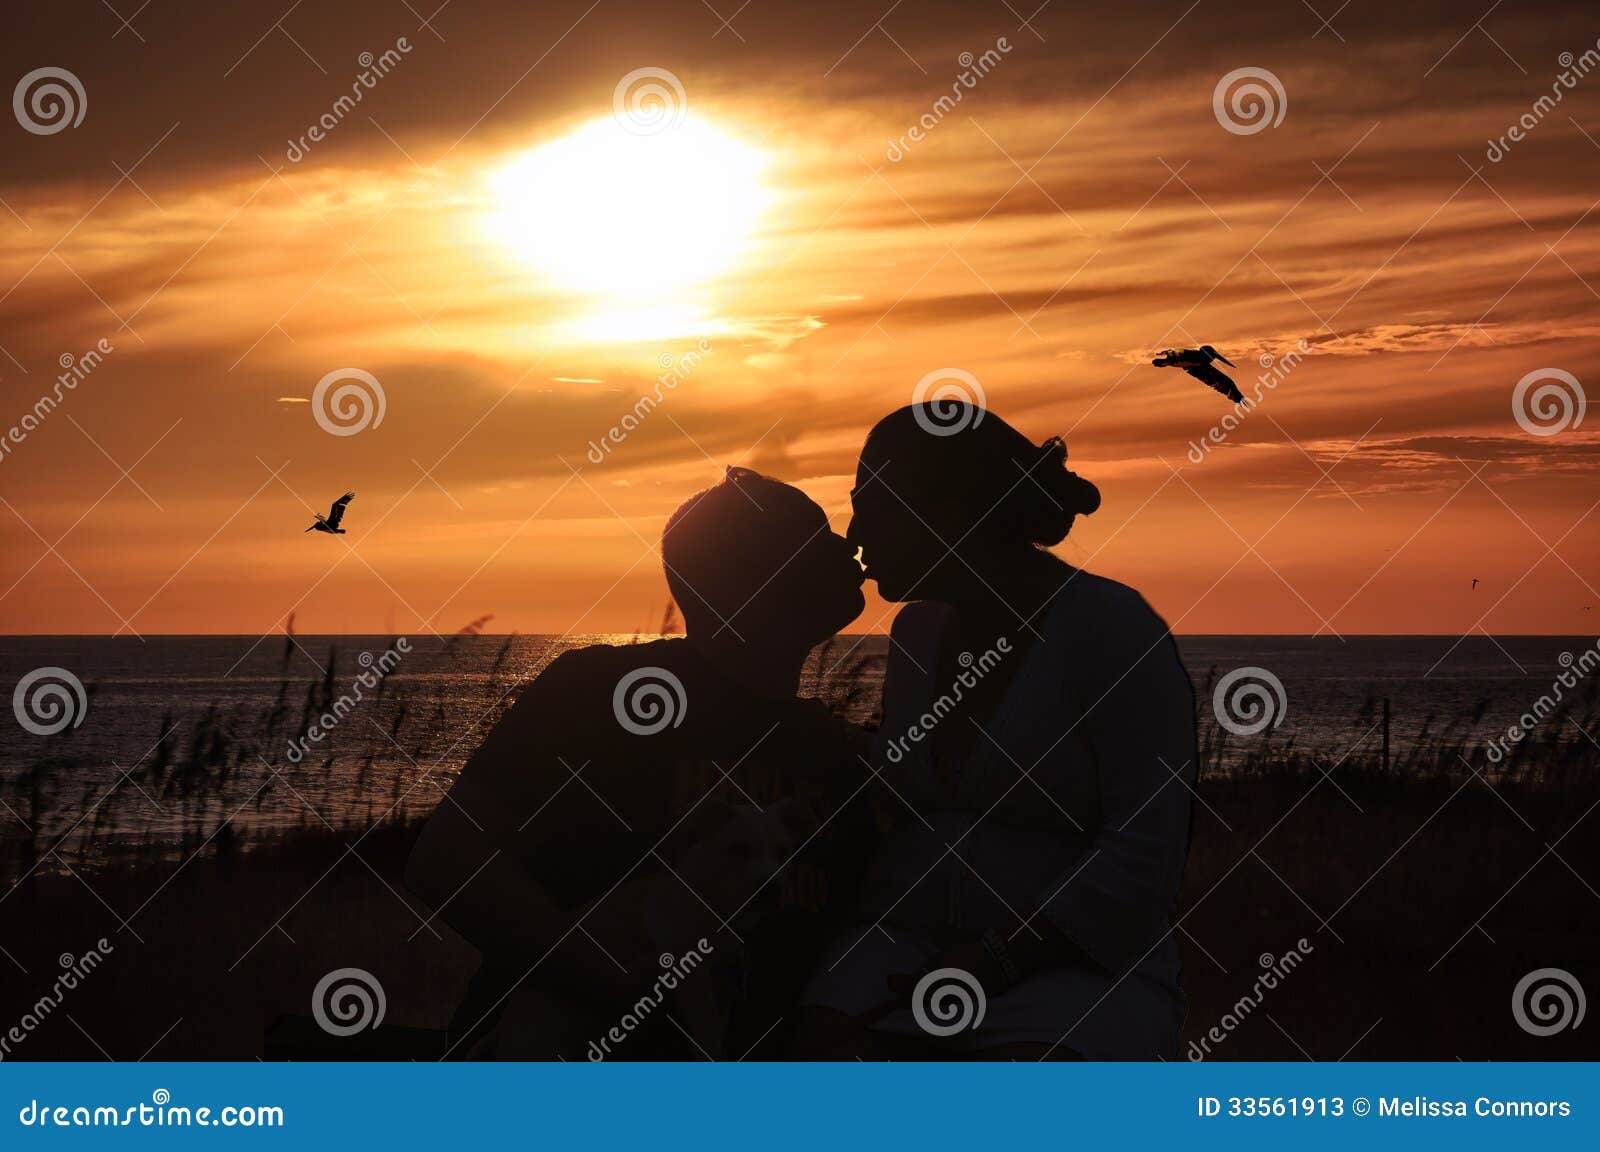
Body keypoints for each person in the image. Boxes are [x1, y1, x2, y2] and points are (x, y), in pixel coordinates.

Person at [407, 467, 869, 1059]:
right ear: (747, 577)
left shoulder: (835, 749)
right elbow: (445, 861)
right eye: (814, 535)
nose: (846, 546)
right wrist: (618, 990)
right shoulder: (596, 692)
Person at [797, 402, 1198, 1060]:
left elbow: (1144, 855)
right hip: (907, 943)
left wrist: (990, 963)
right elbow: (909, 805)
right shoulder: (917, 634)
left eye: (876, 506)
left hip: (1077, 966)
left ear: (950, 511)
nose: (854, 534)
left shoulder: (1110, 629)